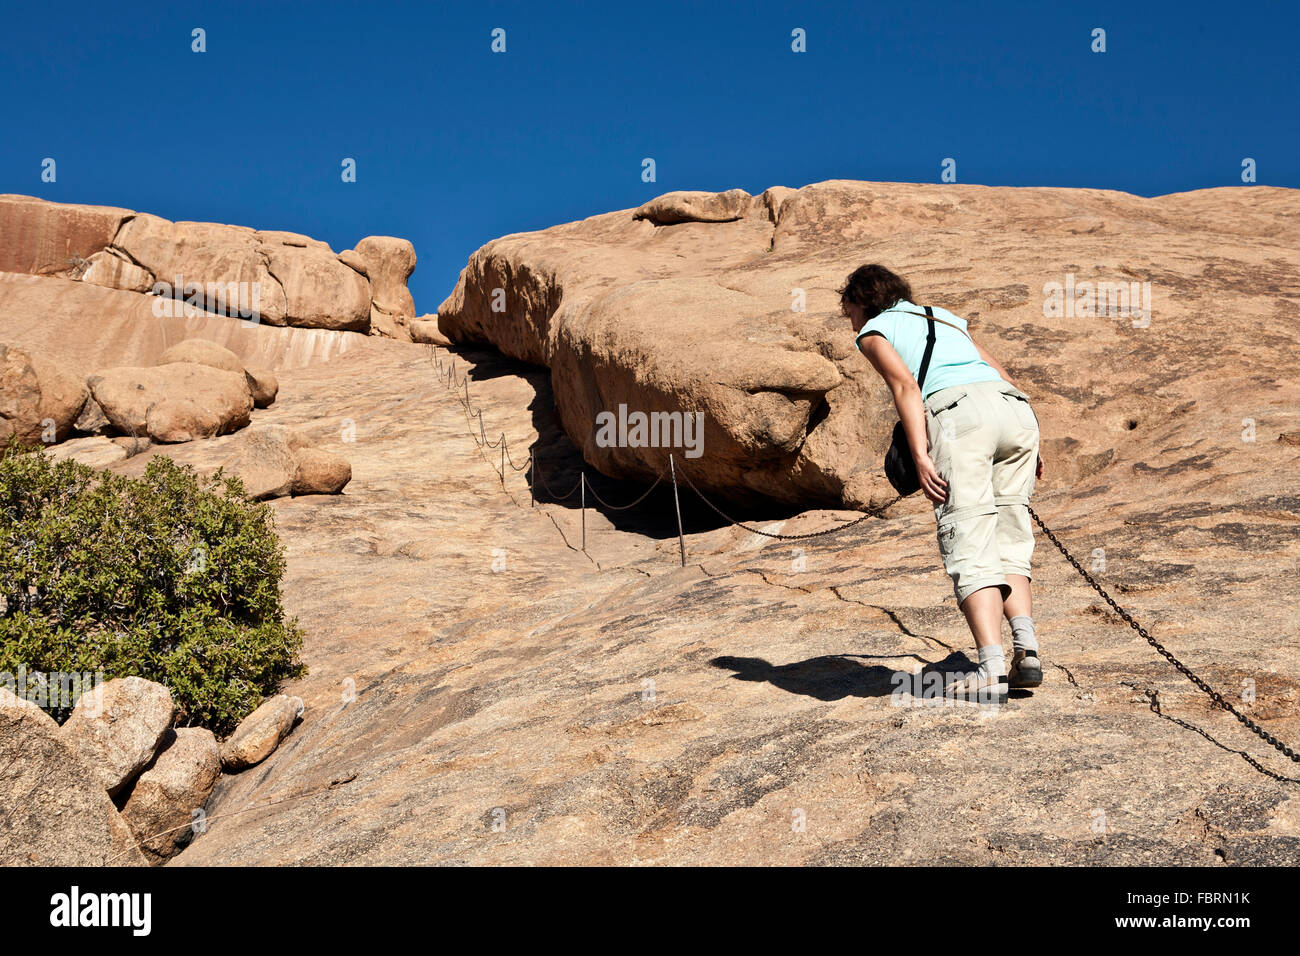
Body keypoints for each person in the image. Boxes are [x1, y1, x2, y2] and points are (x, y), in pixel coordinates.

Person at [840, 264, 1044, 705]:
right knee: (1011, 534)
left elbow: (906, 387)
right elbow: (1000, 372)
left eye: (849, 309)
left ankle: (991, 670)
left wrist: (920, 453)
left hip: (960, 418)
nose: (851, 320)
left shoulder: (874, 331)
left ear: (861, 300)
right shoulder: (943, 316)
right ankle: (1026, 649)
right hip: (1016, 412)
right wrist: (1033, 444)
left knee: (968, 537)